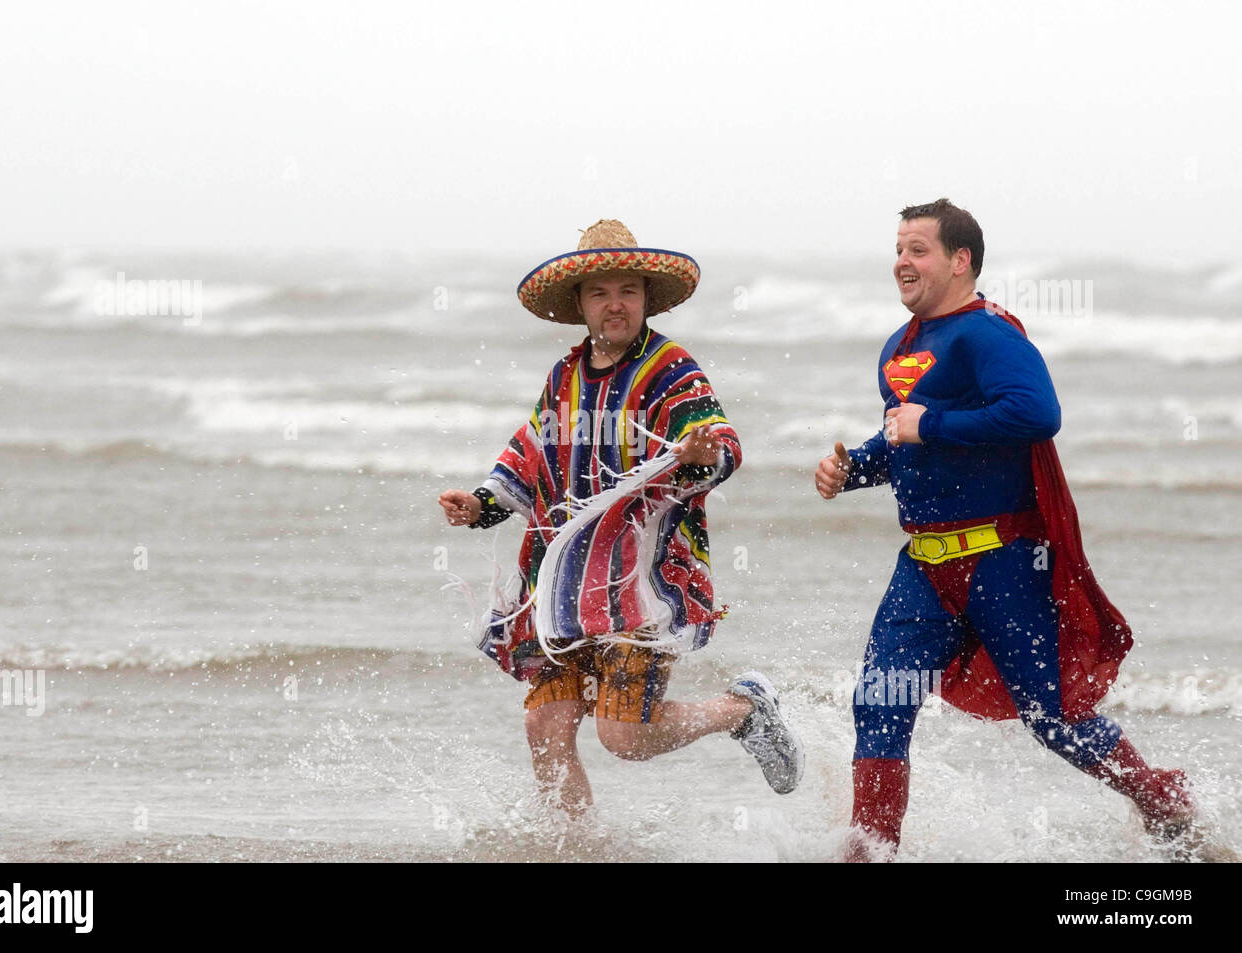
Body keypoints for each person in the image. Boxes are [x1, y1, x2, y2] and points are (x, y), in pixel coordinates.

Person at [815, 198, 1207, 861]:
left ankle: (1160, 797)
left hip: (1002, 562)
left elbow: (1036, 412)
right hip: (924, 568)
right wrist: (852, 467)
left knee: (1053, 721)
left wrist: (925, 424)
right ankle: (869, 855)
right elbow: (904, 438)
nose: (902, 261)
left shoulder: (988, 333)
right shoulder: (900, 346)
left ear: (960, 260)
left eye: (918, 249)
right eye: (899, 248)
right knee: (880, 703)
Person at [440, 218, 802, 816]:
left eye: (628, 291)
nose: (616, 305)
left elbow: (722, 445)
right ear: (580, 303)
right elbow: (528, 456)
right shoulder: (563, 377)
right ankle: (575, 853)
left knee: (626, 738)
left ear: (645, 299)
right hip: (561, 590)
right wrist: (481, 504)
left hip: (643, 583)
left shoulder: (670, 370)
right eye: (601, 292)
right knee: (546, 730)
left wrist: (702, 454)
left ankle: (744, 710)